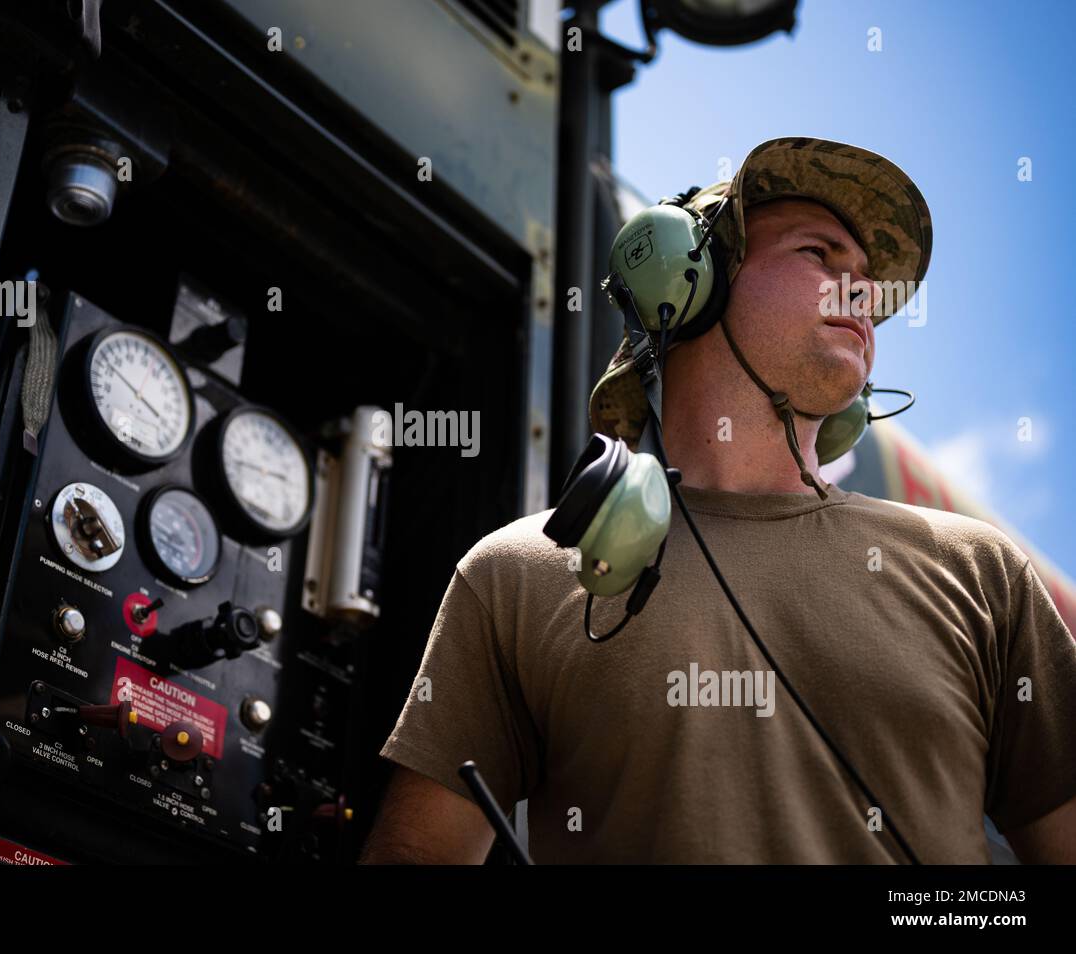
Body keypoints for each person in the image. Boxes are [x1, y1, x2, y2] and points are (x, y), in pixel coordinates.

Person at [361, 138, 1076, 864]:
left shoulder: (980, 575)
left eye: (866, 279)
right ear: (688, 279)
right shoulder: (519, 574)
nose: (861, 293)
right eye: (819, 255)